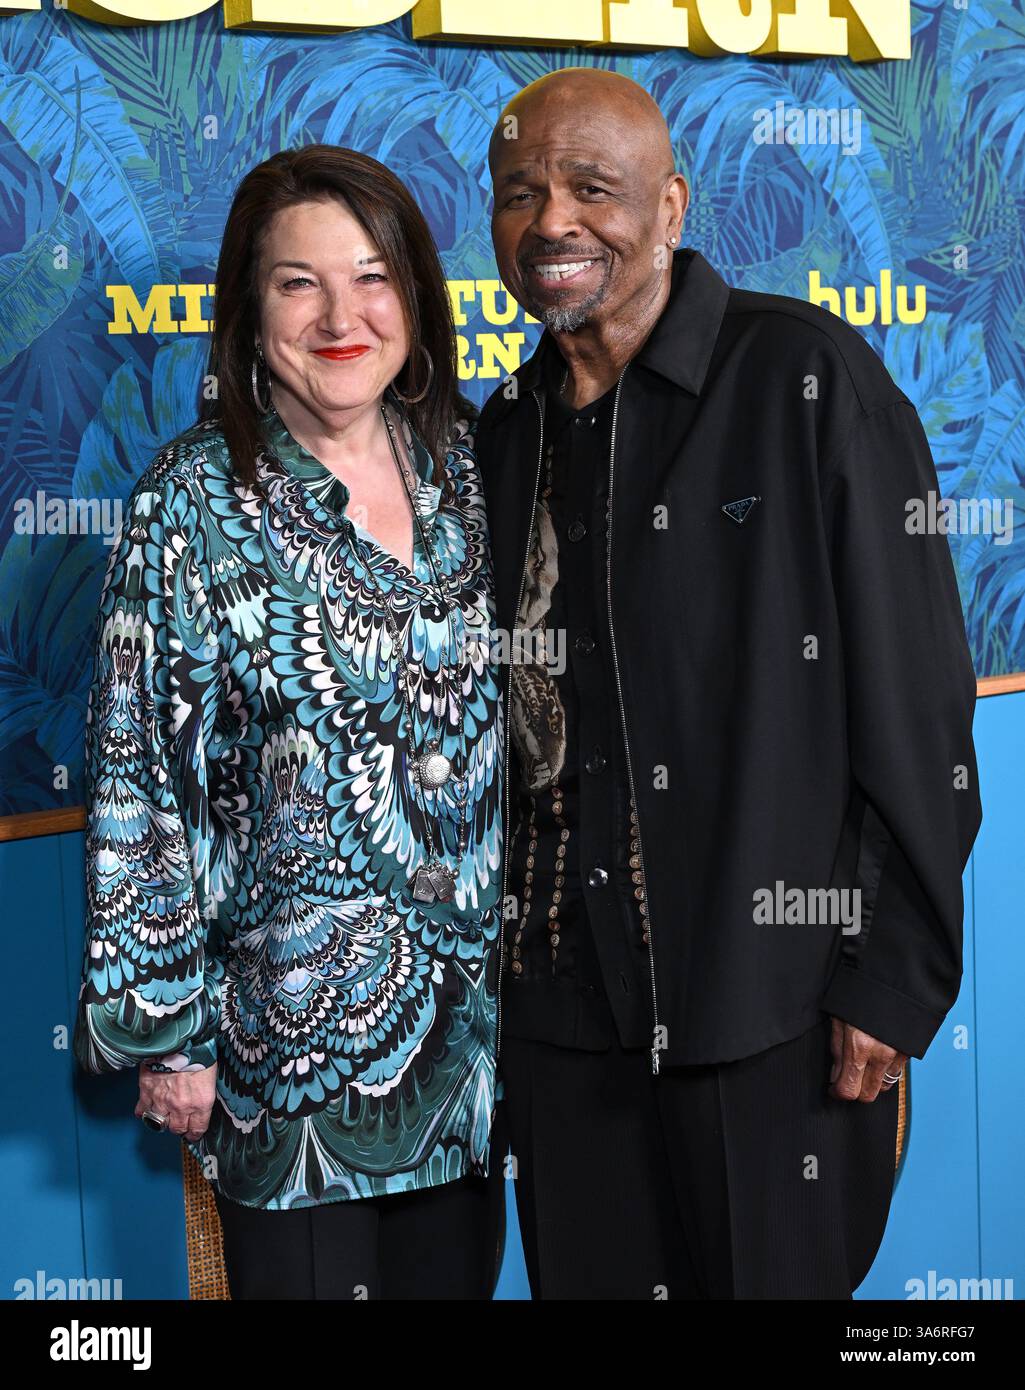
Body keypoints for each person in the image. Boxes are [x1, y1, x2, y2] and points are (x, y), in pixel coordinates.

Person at [475, 68, 983, 1299]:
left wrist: (886, 977)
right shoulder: (506, 430)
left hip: (765, 1020)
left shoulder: (803, 380)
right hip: (558, 1024)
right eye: (517, 192)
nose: (551, 222)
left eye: (592, 189)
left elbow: (918, 701)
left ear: (670, 209)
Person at [72, 145, 504, 1300]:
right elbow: (136, 781)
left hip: (476, 1073)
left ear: (414, 294)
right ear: (248, 310)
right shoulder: (190, 502)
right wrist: (166, 1034)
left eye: (371, 276)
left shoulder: (472, 472)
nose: (340, 316)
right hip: (289, 1071)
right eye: (296, 282)